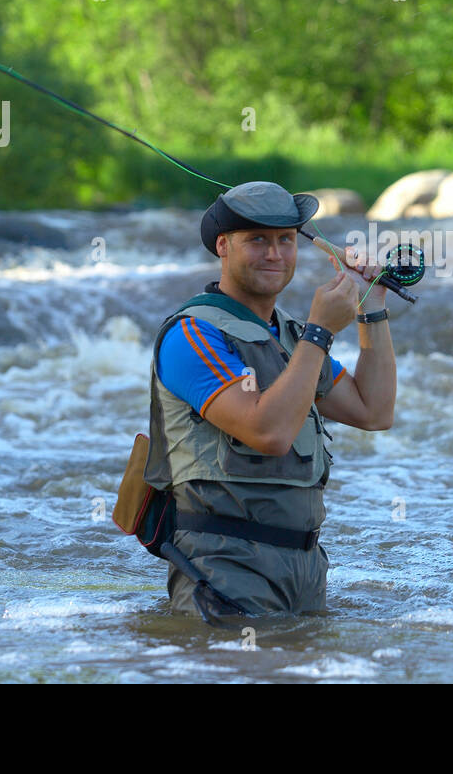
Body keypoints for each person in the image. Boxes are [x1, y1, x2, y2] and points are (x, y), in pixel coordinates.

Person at [144, 180, 396, 620]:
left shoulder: (291, 335)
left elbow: (373, 411)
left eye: (285, 240)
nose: (275, 254)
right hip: (224, 568)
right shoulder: (193, 334)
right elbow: (270, 432)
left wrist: (370, 306)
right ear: (223, 246)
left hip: (305, 571)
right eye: (257, 240)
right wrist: (320, 332)